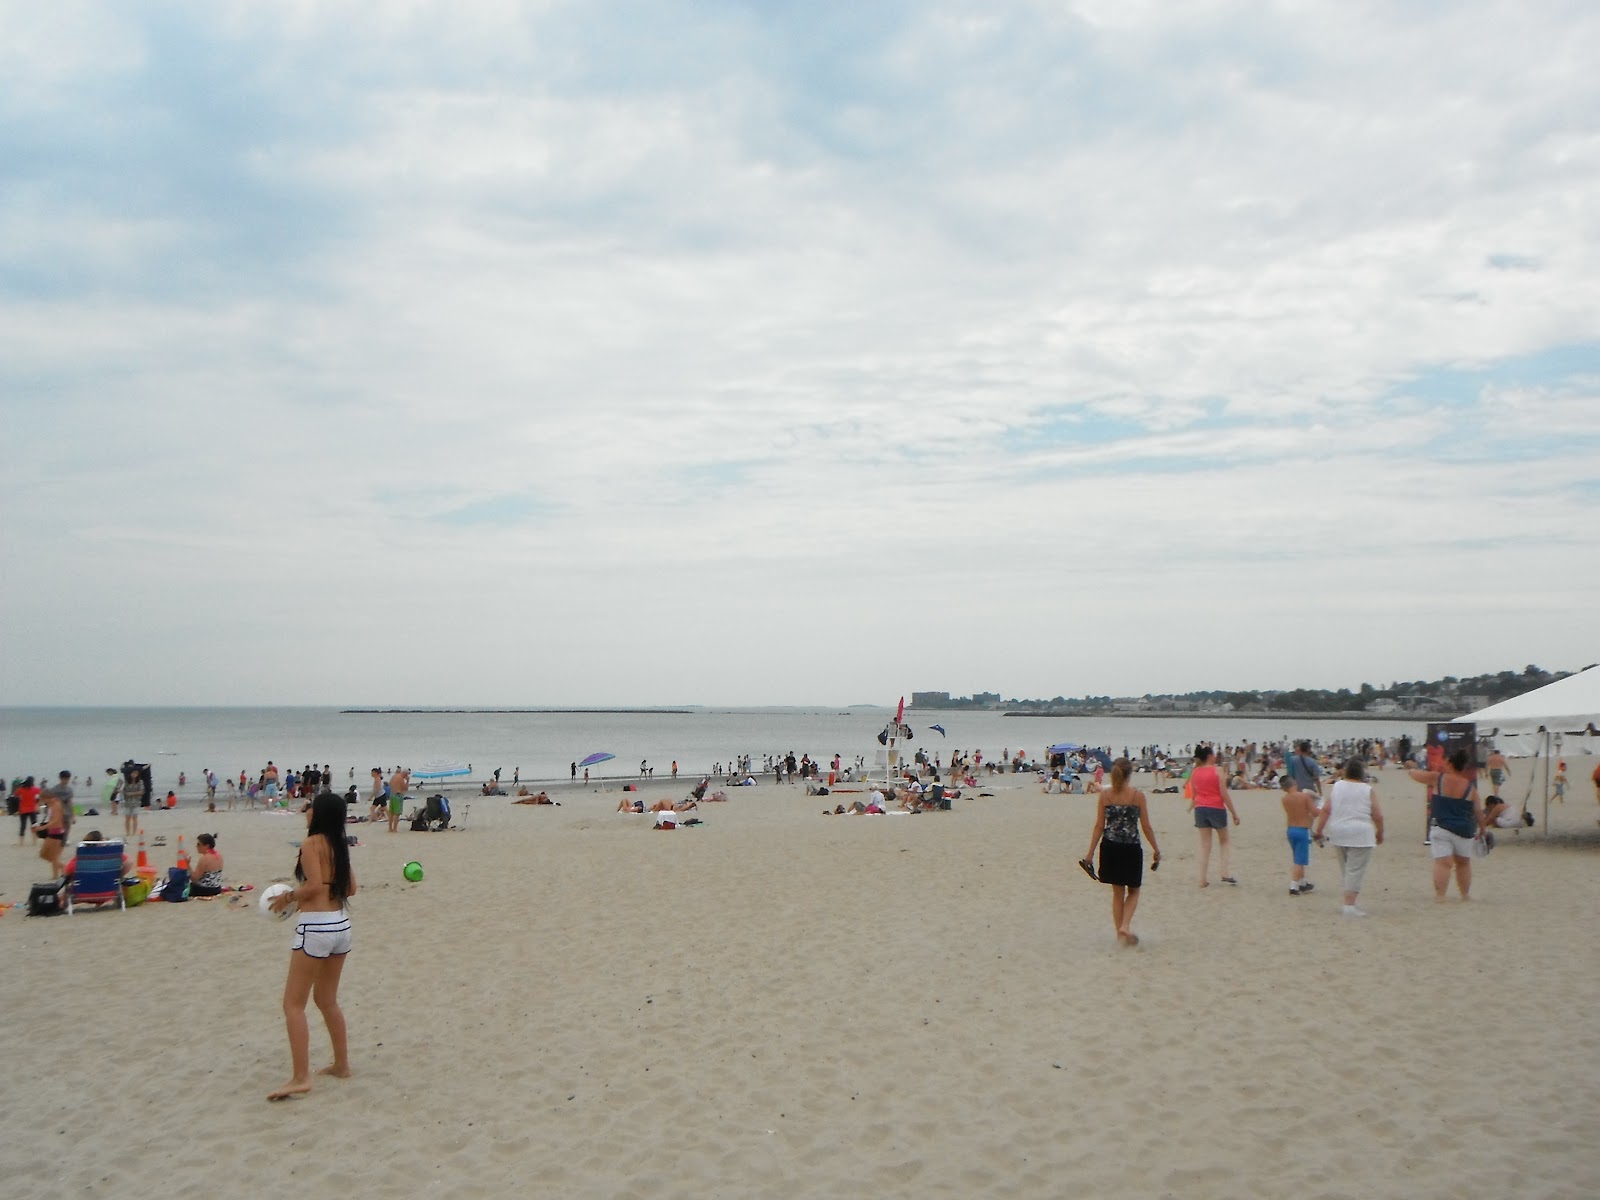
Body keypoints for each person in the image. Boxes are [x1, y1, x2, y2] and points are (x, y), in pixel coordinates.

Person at [267, 791, 356, 1100]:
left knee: (293, 1004)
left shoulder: (311, 844)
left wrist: (289, 896)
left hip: (316, 927)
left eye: (310, 808)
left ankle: (301, 1077)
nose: (306, 812)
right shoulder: (339, 845)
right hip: (341, 926)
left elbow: (314, 885)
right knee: (327, 1000)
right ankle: (342, 1065)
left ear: (318, 814)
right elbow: (352, 888)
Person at [1080, 757, 1160, 946]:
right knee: (1134, 891)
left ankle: (1120, 935)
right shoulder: (1137, 796)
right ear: (1129, 775)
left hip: (1110, 848)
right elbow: (1146, 827)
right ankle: (1125, 926)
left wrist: (1090, 854)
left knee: (1117, 893)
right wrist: (1156, 849)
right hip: (1131, 848)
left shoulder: (1105, 796)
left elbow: (1099, 826)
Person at [1407, 748, 1484, 902]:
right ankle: (1465, 895)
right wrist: (1483, 828)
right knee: (1463, 863)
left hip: (1442, 826)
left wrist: (1410, 767)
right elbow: (1477, 811)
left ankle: (1441, 895)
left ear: (1449, 763)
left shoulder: (1438, 778)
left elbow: (1416, 775)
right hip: (1464, 829)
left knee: (1443, 863)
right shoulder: (1470, 787)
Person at [1313, 758, 1385, 917]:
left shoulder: (1337, 786)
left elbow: (1326, 810)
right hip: (1361, 833)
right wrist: (1380, 832)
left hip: (1339, 832)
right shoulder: (1367, 789)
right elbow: (1378, 815)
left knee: (1347, 869)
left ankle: (1350, 901)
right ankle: (1349, 905)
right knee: (1355, 870)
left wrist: (1319, 829)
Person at [1186, 746, 1240, 886]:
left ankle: (1202, 879)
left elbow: (1194, 794)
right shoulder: (1217, 770)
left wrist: (1192, 807)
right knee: (1224, 840)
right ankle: (1224, 872)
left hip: (1200, 808)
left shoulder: (1195, 772)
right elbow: (1223, 793)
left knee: (1205, 845)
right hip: (1216, 807)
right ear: (1210, 756)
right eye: (1213, 754)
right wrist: (1234, 813)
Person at [1280, 775, 1316, 895]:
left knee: (1297, 856)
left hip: (1291, 829)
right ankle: (1294, 885)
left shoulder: (1285, 799)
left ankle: (1302, 882)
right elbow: (1314, 812)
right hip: (1302, 829)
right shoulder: (1304, 796)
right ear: (1294, 783)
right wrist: (1323, 808)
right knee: (1300, 860)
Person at [38, 771, 74, 879]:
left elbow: (70, 802)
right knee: (45, 854)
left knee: (57, 850)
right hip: (55, 824)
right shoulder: (54, 790)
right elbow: (49, 808)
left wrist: (73, 816)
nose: (65, 781)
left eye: (67, 779)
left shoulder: (69, 790)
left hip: (63, 821)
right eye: (64, 778)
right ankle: (61, 866)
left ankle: (57, 871)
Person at [15, 774, 40, 844]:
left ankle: (21, 842)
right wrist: (37, 805)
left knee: (23, 825)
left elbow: (16, 795)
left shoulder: (20, 789)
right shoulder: (36, 789)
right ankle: (34, 842)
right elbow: (38, 798)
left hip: (23, 809)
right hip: (32, 809)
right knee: (34, 825)